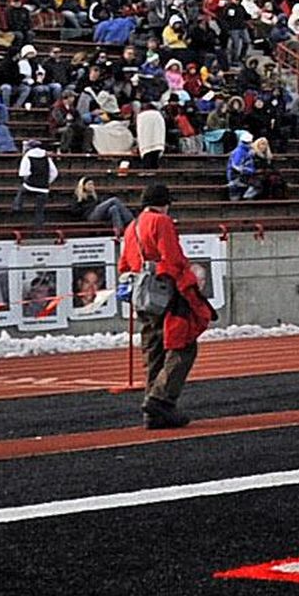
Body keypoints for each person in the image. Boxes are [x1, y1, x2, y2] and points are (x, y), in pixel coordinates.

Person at [121, 184, 214, 430]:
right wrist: (188, 279)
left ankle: (154, 412)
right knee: (183, 346)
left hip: (142, 295)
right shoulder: (161, 222)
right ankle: (160, 400)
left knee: (154, 352)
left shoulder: (132, 227)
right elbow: (171, 259)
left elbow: (124, 265)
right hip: (165, 292)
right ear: (163, 203)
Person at [16, 144, 57, 224]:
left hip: (30, 185)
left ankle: (17, 206)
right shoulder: (46, 157)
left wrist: (28, 180)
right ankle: (39, 227)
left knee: (21, 191)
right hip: (44, 188)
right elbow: (54, 172)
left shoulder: (27, 156)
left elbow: (23, 172)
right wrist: (47, 181)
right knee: (40, 210)